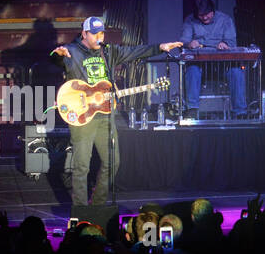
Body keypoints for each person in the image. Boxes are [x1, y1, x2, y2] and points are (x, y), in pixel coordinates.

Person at [52, 17, 183, 206]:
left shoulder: (108, 52)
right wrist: (57, 54)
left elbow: (133, 52)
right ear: (84, 34)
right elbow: (55, 59)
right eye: (95, 33)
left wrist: (159, 47)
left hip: (105, 115)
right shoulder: (72, 51)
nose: (100, 36)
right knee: (81, 166)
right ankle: (80, 211)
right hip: (82, 116)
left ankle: (97, 206)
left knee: (113, 162)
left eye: (102, 33)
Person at [178, 0, 246, 118]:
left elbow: (231, 42)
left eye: (207, 14)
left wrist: (225, 44)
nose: (204, 18)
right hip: (200, 65)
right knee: (192, 70)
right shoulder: (190, 20)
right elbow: (183, 41)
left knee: (236, 72)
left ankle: (240, 111)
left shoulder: (225, 20)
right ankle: (192, 109)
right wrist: (189, 44)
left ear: (213, 11)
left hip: (222, 65)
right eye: (201, 15)